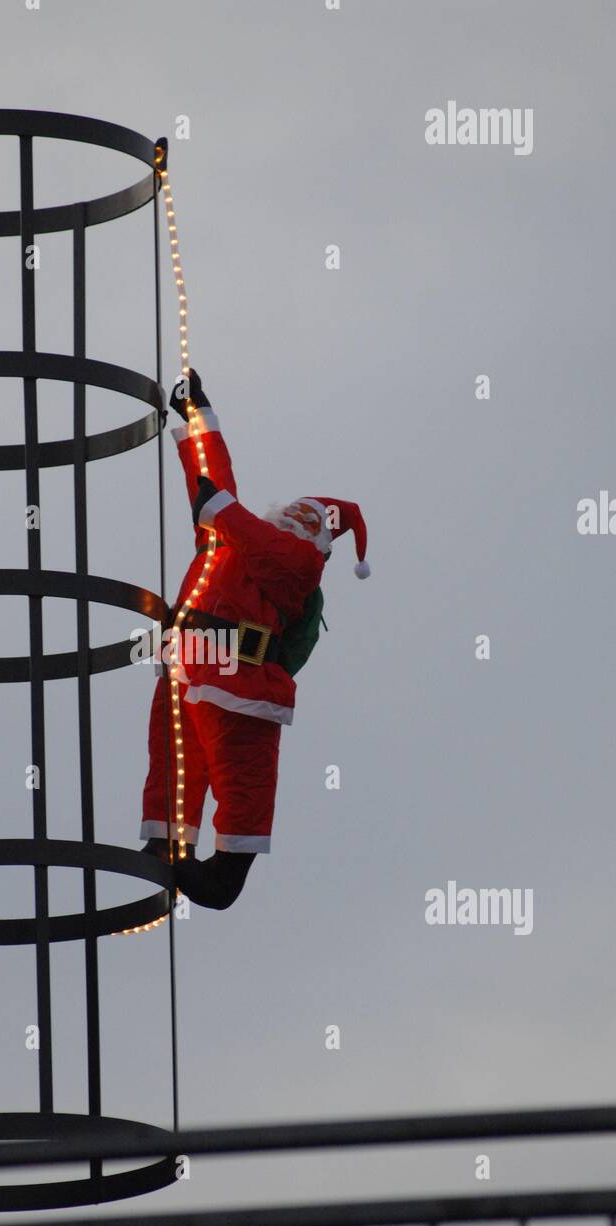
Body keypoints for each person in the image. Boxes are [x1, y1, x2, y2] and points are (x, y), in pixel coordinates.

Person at [140, 370, 370, 909]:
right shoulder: (227, 534)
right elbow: (211, 478)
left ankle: (227, 871)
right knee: (176, 762)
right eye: (294, 509)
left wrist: (218, 505)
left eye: (308, 519)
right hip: (187, 667)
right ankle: (166, 840)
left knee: (242, 774)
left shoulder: (296, 563)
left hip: (240, 681)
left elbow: (241, 522)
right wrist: (199, 415)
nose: (295, 517)